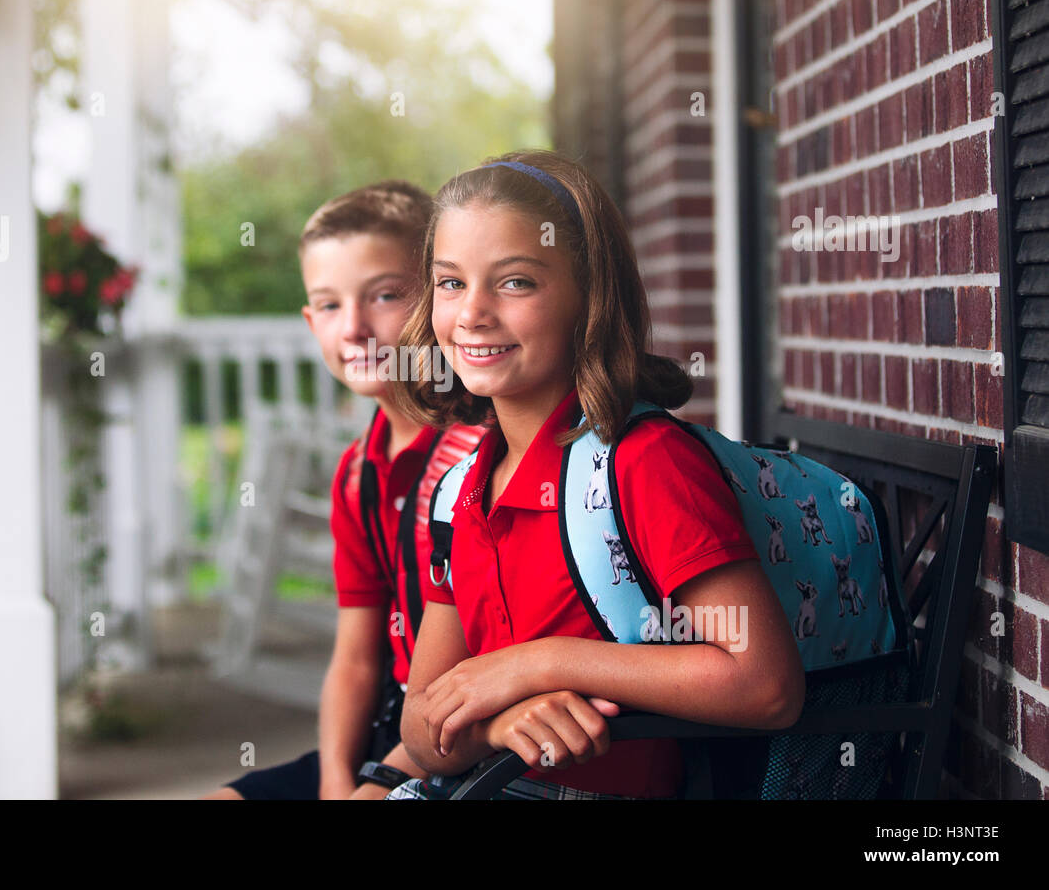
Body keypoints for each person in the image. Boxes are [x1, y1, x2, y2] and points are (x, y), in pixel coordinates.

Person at [387, 150, 806, 799]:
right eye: (450, 283)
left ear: (589, 297)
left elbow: (767, 686)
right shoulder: (461, 489)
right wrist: (499, 721)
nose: (472, 313)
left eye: (516, 282)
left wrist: (538, 662)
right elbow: (423, 724)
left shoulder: (647, 464)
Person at [204, 180, 483, 800]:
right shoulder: (358, 473)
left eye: (384, 295)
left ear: (441, 295)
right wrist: (335, 781)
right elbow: (356, 658)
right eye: (329, 306)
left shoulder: (480, 453)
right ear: (310, 320)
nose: (354, 328)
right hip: (385, 731)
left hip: (462, 742)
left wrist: (380, 783)